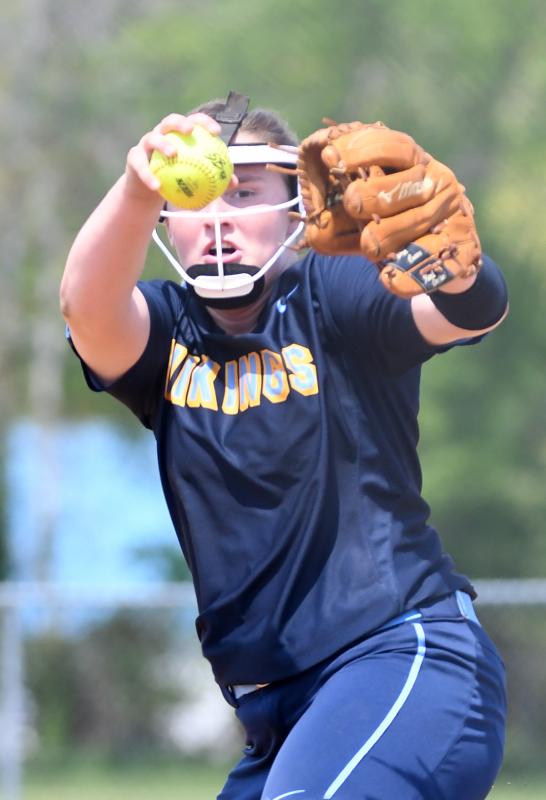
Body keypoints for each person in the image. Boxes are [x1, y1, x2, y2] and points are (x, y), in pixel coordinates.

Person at [60, 91, 508, 800]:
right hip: (277, 719)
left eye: (245, 193)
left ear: (296, 208)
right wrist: (136, 187)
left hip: (403, 659)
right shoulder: (167, 333)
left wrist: (455, 270)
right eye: (196, 195)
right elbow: (86, 309)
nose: (219, 219)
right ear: (167, 218)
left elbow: (466, 310)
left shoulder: (333, 293)